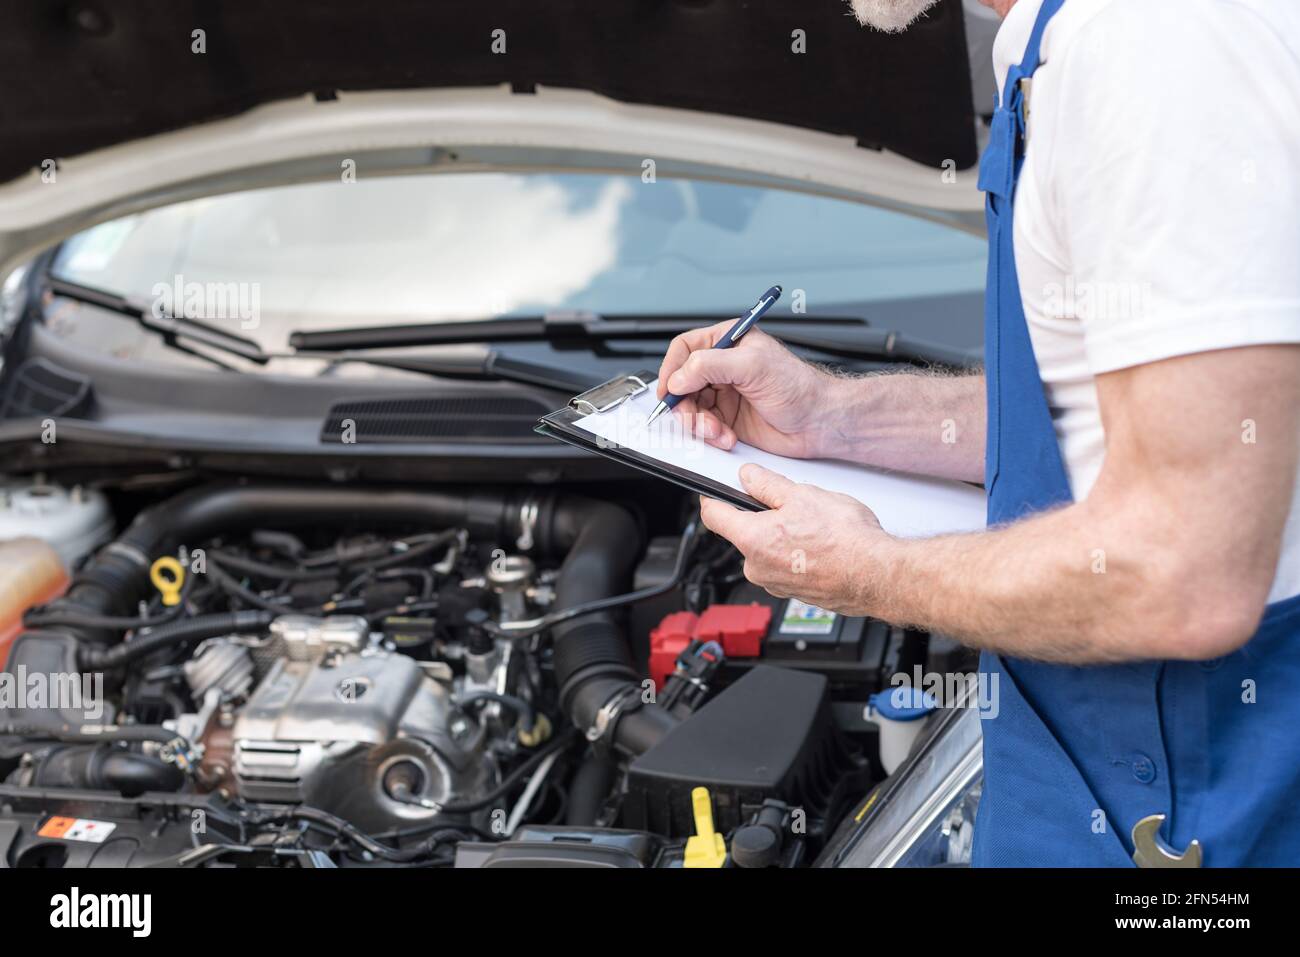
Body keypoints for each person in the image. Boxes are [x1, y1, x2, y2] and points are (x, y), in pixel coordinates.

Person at [655, 0, 1300, 865]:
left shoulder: (1157, 44)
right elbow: (1102, 413)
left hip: (1195, 823)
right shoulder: (1072, 45)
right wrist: (833, 414)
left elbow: (1185, 571)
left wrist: (868, 571)